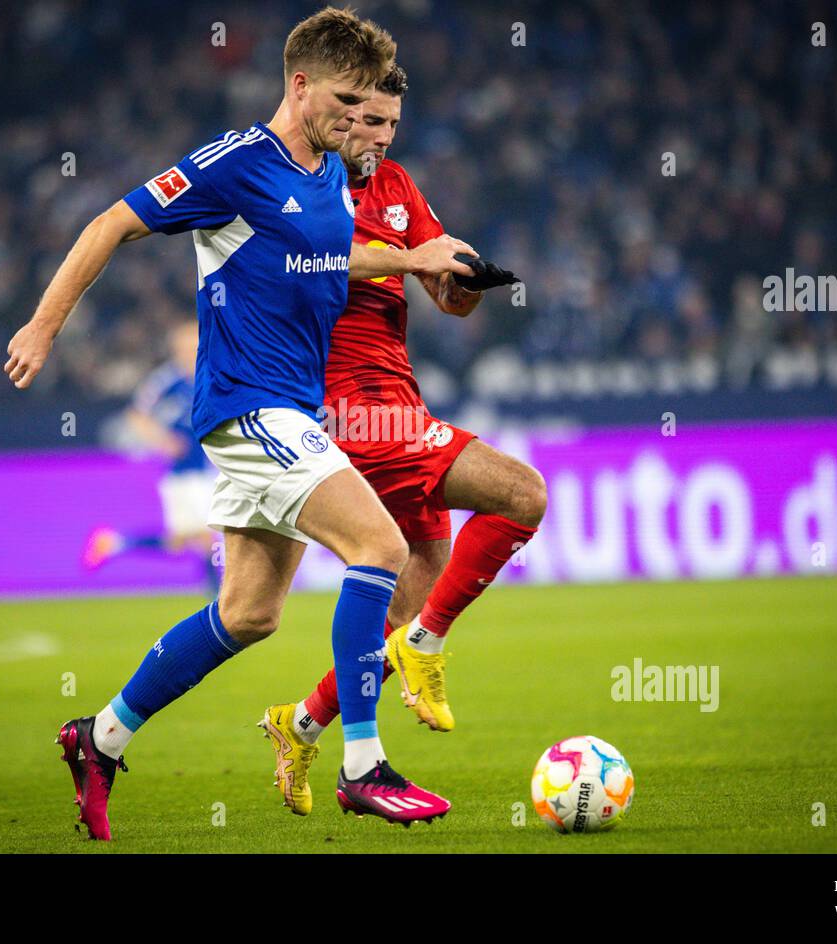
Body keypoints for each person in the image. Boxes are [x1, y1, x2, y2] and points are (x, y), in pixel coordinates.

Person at [4, 7, 477, 839]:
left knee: (250, 613)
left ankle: (99, 738)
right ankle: (363, 766)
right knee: (383, 549)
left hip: (291, 411)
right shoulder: (235, 163)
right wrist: (43, 326)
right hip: (246, 407)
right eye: (344, 100)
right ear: (299, 84)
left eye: (368, 104)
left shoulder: (328, 170)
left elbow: (320, 254)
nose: (357, 121)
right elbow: (113, 220)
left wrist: (414, 259)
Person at [259, 65, 545, 815]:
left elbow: (443, 297)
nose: (378, 137)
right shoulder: (304, 183)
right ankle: (424, 652)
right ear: (336, 112)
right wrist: (411, 256)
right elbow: (305, 263)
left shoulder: (396, 185)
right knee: (522, 495)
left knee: (410, 598)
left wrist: (463, 284)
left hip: (402, 402)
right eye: (366, 120)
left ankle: (301, 723)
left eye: (390, 123)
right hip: (351, 416)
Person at [83, 320, 220, 597]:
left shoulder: (210, 375)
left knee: (180, 542)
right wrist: (163, 441)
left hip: (205, 469)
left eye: (195, 344)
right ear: (176, 349)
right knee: (206, 536)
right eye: (186, 346)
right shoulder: (166, 381)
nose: (192, 351)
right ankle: (218, 596)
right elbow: (135, 415)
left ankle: (115, 543)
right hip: (184, 473)